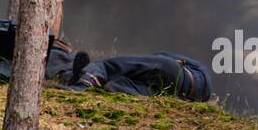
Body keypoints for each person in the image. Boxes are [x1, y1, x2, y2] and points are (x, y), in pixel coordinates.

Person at [45, 36, 212, 101]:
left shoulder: (168, 63)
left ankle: (83, 83)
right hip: (184, 93)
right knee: (114, 84)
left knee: (108, 66)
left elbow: (163, 59)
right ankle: (81, 77)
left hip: (176, 72)